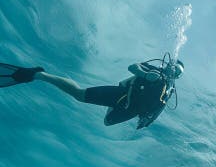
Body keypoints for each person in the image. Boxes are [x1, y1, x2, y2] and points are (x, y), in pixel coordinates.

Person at [0, 58, 183, 129]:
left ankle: (113, 103)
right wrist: (144, 74)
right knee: (79, 94)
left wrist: (147, 121)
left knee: (107, 122)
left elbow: (158, 109)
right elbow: (132, 67)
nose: (174, 72)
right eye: (174, 68)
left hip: (130, 110)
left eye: (178, 73)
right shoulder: (155, 70)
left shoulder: (169, 90)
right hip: (122, 95)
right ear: (169, 64)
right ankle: (39, 75)